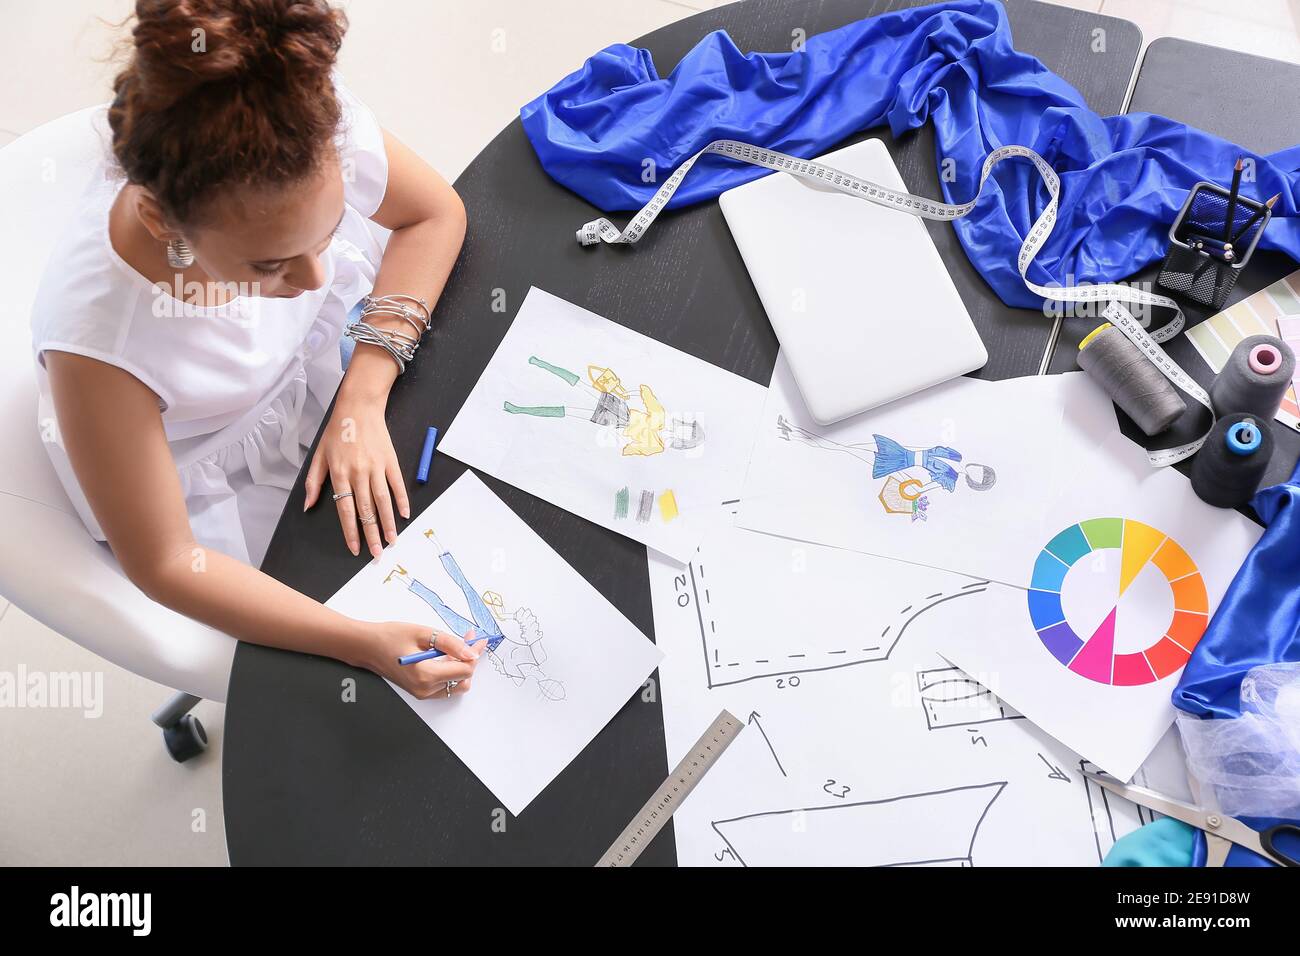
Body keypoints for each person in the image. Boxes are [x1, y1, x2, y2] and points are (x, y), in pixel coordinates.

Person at [31, 0, 479, 700]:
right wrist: (359, 641)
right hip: (222, 466)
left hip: (342, 368)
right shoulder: (101, 349)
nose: (317, 279)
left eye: (328, 233)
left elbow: (434, 213)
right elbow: (168, 563)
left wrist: (361, 394)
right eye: (270, 265)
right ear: (161, 220)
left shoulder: (299, 126)